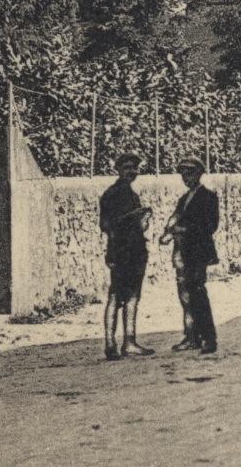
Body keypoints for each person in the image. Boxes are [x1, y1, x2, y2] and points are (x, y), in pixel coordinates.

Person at [161, 157, 219, 353]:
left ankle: (208, 338)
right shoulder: (184, 199)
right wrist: (168, 231)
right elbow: (175, 217)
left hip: (197, 253)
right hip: (183, 252)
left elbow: (210, 226)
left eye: (190, 173)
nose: (186, 178)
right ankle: (192, 336)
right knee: (186, 296)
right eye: (184, 174)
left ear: (199, 174)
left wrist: (182, 229)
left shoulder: (208, 197)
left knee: (198, 294)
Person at [99, 153, 154, 360]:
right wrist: (138, 217)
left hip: (125, 250)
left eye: (135, 168)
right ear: (118, 169)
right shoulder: (116, 194)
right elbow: (108, 224)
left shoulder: (125, 193)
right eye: (128, 167)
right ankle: (123, 342)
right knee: (125, 297)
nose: (132, 171)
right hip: (126, 250)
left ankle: (115, 342)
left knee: (122, 296)